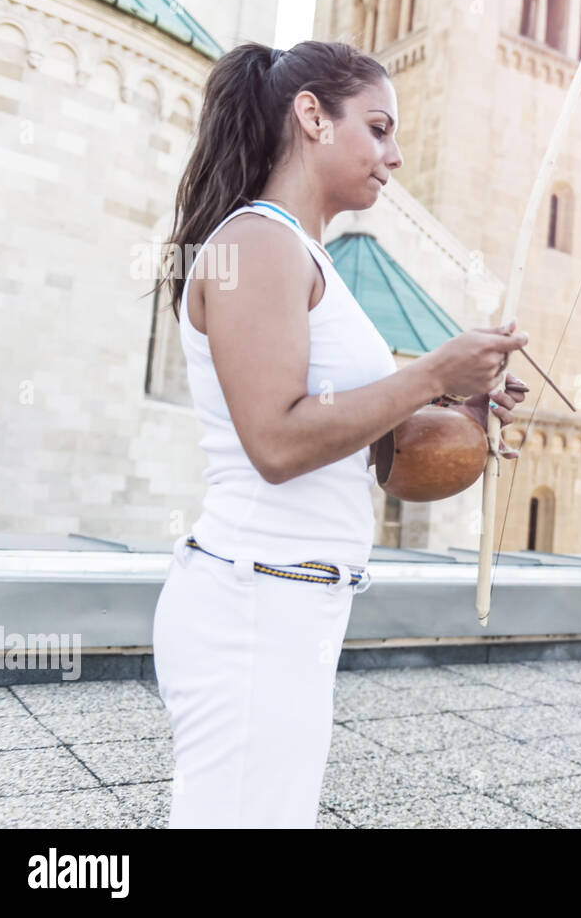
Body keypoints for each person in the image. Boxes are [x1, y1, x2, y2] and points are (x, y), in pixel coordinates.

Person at [147, 41, 529, 828]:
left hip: (290, 601)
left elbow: (362, 449)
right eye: (380, 128)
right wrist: (430, 372)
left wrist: (463, 414)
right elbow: (278, 444)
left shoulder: (303, 252)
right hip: (252, 601)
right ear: (312, 115)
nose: (392, 157)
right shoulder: (256, 242)